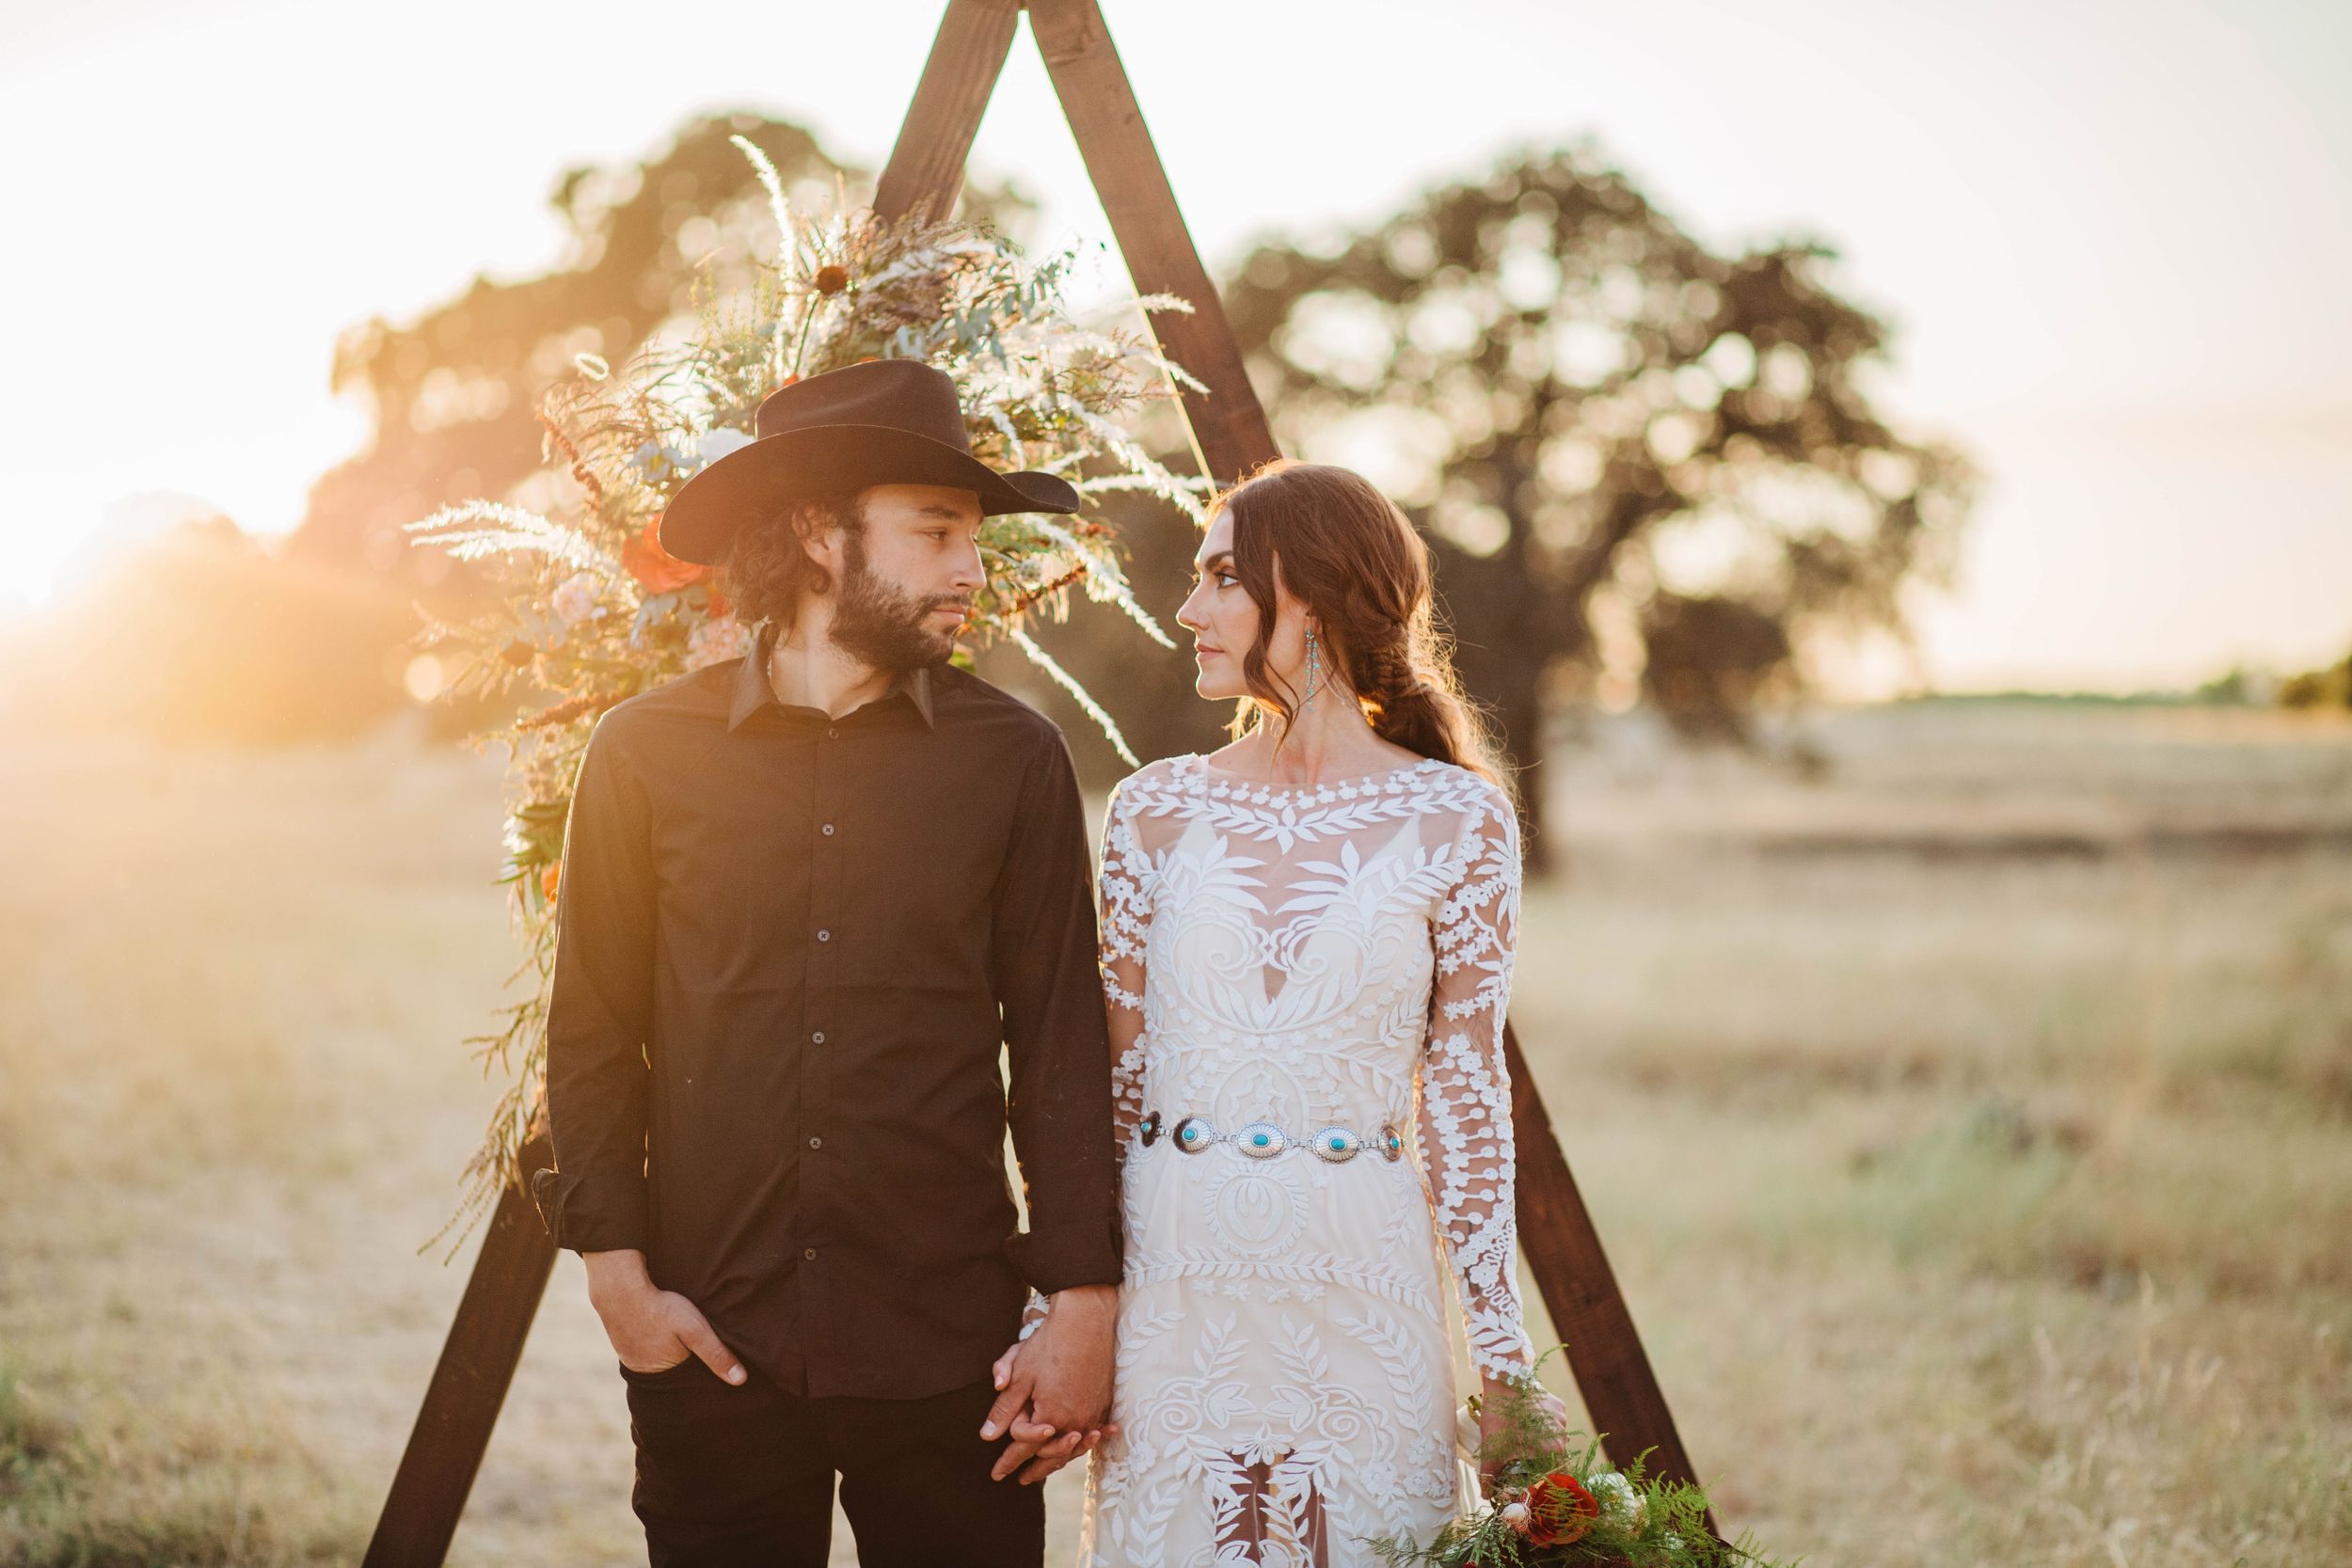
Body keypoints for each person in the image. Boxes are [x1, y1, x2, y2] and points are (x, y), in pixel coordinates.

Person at [532, 358, 1121, 1568]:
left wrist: (1083, 1302)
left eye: (972, 538)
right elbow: (590, 1029)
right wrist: (619, 1282)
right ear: (816, 533)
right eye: (938, 530)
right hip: (712, 1349)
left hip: (956, 1360)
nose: (972, 569)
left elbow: (1060, 1040)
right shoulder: (642, 754)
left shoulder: (1014, 760)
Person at [1037, 460, 1564, 1565]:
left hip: (1362, 1273)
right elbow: (1112, 1084)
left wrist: (1503, 1357)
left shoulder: (1457, 819)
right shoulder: (1154, 810)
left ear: (1314, 593)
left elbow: (1466, 1101)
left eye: (1223, 577)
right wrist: (1066, 1309)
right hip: (1180, 1272)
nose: (1187, 609)